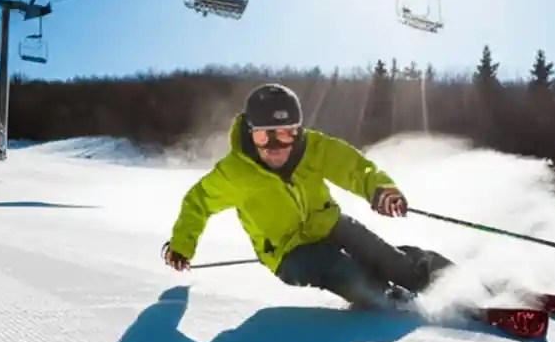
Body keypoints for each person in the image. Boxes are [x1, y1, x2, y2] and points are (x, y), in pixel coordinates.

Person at [162, 83, 454, 310]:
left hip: (329, 222)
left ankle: (449, 282)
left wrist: (380, 189)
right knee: (344, 271)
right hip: (288, 251)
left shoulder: (312, 148)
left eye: (284, 135)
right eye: (264, 136)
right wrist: (182, 245)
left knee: (387, 259)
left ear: (297, 132)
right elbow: (198, 202)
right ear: (250, 133)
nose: (274, 147)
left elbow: (353, 167)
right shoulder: (235, 172)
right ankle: (389, 299)